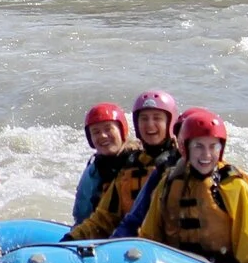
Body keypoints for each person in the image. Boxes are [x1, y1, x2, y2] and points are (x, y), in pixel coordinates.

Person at [118, 109, 248, 263]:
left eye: (213, 147)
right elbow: (150, 236)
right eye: (199, 146)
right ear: (186, 147)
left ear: (221, 149)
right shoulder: (168, 183)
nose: (206, 155)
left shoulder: (234, 187)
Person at [69, 90, 179, 240]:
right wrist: (71, 240)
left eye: (157, 118)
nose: (149, 125)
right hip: (129, 245)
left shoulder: (184, 164)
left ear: (170, 123)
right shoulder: (127, 167)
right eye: (144, 119)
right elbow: (103, 218)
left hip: (172, 251)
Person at [71, 102, 134, 225]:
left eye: (108, 129)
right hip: (102, 237)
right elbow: (81, 216)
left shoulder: (141, 162)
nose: (103, 136)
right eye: (96, 132)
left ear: (122, 131)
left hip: (136, 238)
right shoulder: (92, 172)